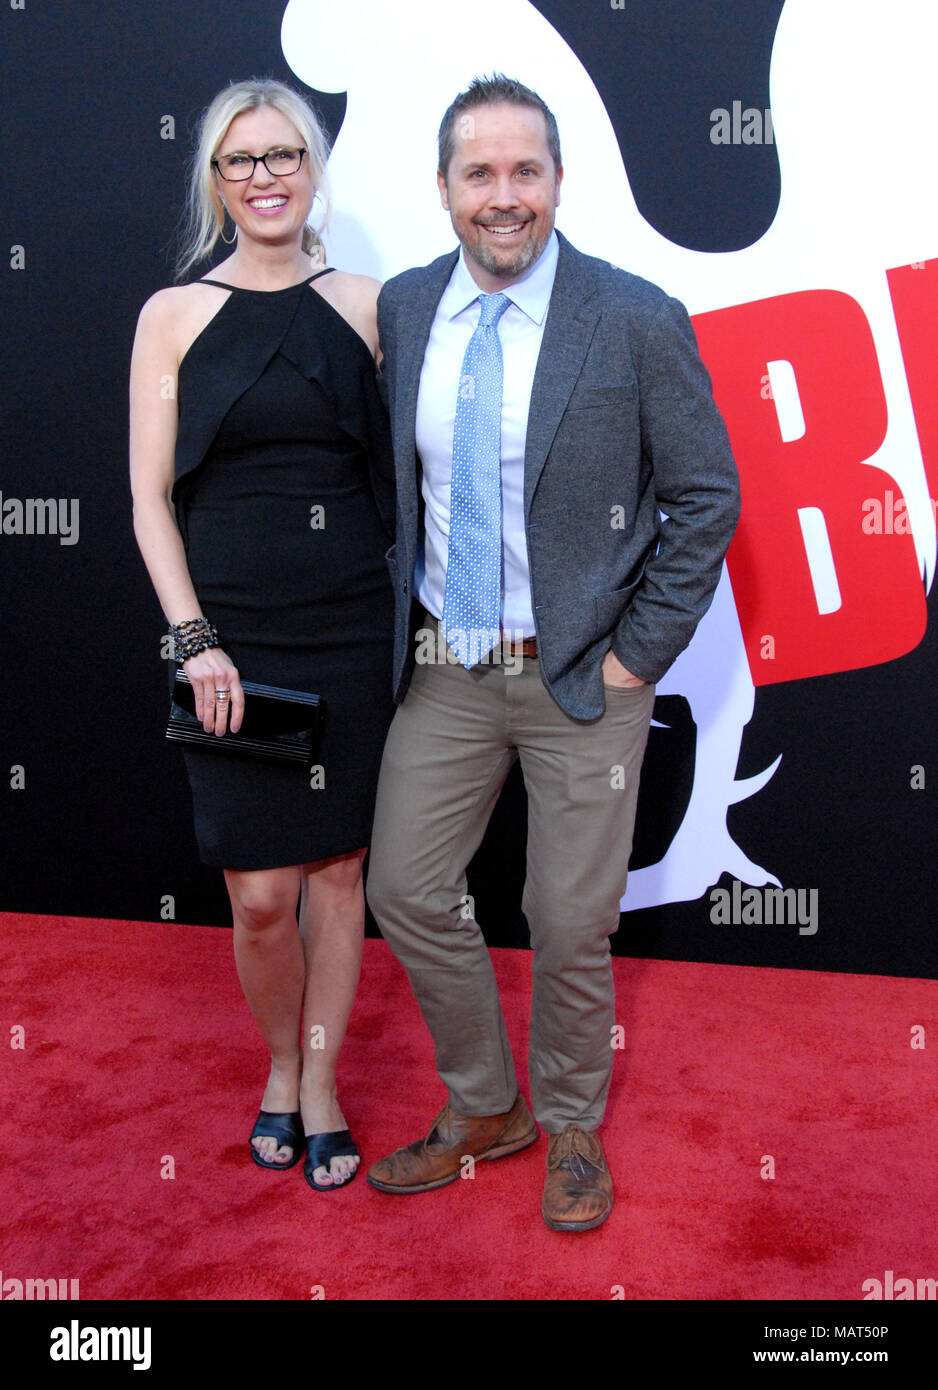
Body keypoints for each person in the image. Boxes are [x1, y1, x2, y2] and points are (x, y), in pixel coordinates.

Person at [365, 75, 740, 1230]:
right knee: (406, 889)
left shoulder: (631, 316)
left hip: (584, 673)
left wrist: (634, 657)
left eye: (525, 170)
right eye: (478, 173)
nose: (503, 195)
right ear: (442, 189)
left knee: (569, 919)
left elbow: (706, 497)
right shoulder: (409, 309)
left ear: (558, 180)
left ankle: (570, 1121)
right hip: (446, 661)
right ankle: (485, 1104)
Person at [129, 78, 395, 1191]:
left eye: (283, 154)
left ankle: (317, 1082)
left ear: (312, 166)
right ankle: (277, 1060)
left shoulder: (370, 307)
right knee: (258, 892)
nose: (265, 177)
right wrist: (195, 640)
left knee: (338, 874)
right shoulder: (172, 314)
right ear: (215, 181)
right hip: (230, 641)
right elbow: (149, 499)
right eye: (240, 161)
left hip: (351, 628)